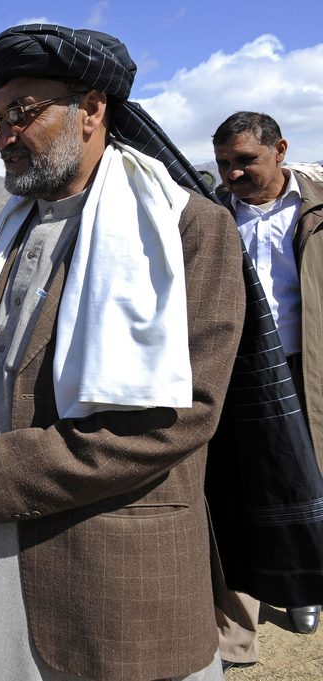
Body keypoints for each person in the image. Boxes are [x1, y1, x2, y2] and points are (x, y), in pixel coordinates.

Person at [0, 24, 248, 680]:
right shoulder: (8, 235)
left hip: (112, 570)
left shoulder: (188, 230)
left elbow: (179, 416)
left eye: (22, 113)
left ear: (92, 109)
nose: (4, 134)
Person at [212, 111, 323, 662]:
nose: (232, 174)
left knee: (310, 479)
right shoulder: (207, 216)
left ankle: (305, 585)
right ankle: (236, 631)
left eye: (245, 160)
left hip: (310, 367)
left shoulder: (318, 207)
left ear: (280, 149)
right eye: (224, 164)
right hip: (236, 372)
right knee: (237, 494)